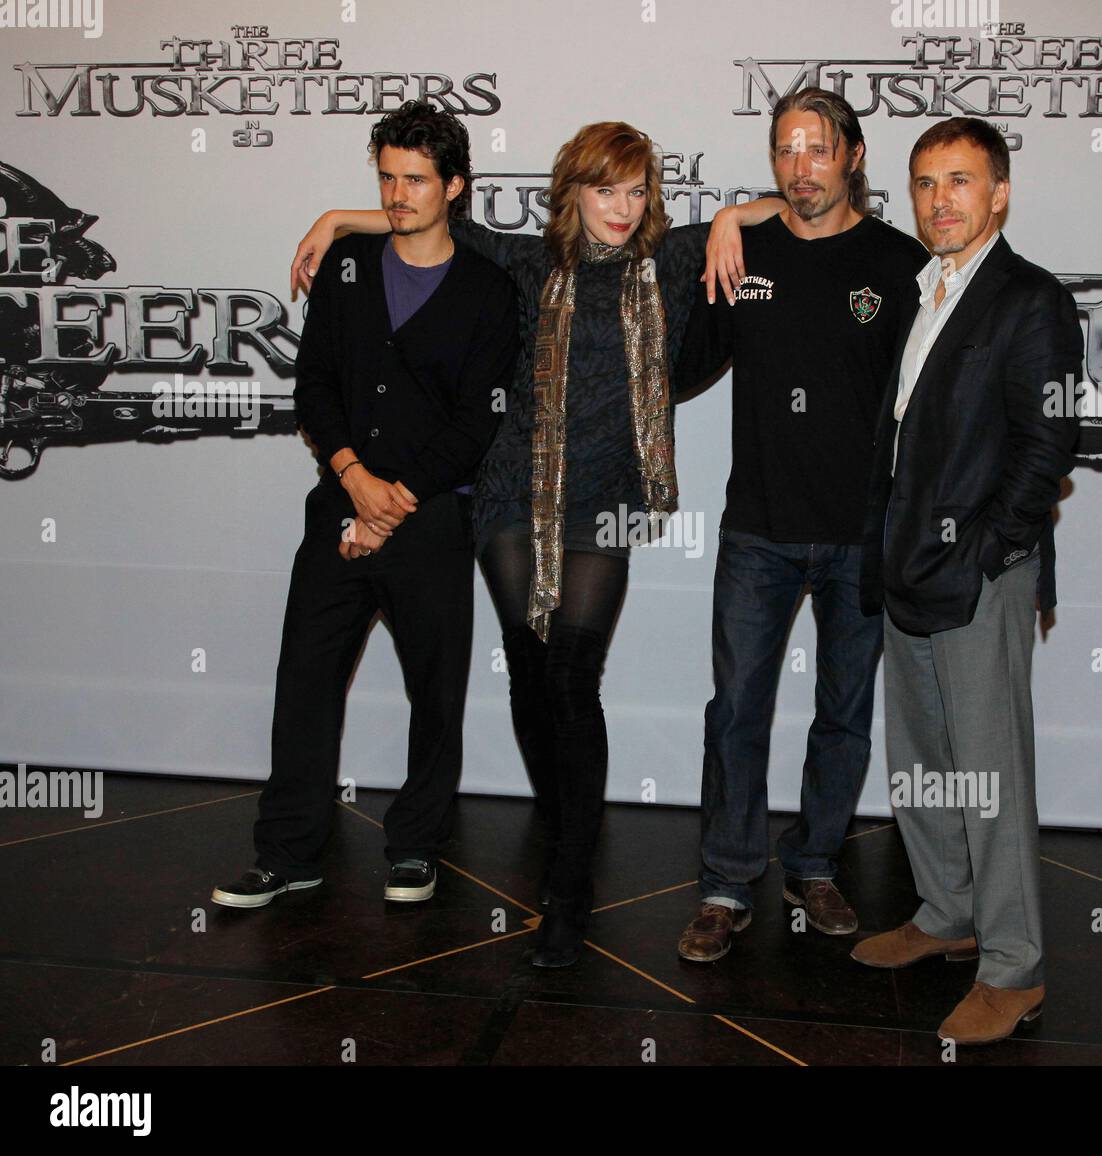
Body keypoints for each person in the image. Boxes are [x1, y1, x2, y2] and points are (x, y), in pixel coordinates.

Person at [291, 121, 775, 966]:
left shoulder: (666, 264)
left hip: (604, 503)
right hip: (515, 491)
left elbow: (787, 212)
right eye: (604, 191)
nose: (622, 210)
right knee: (529, 668)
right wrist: (339, 217)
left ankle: (568, 885)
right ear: (572, 193)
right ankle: (563, 827)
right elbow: (428, 221)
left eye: (636, 192)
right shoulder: (526, 262)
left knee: (572, 676)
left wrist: (737, 213)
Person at [213, 103, 519, 909]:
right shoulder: (347, 270)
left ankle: (416, 846)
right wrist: (353, 480)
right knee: (304, 681)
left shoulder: (489, 289)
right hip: (338, 502)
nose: (397, 194)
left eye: (415, 179)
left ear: (453, 186)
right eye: (386, 177)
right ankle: (288, 852)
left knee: (436, 689)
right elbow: (312, 384)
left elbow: (480, 416)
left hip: (433, 517)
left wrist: (397, 502)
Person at [673, 88, 929, 962]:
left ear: (855, 156)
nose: (800, 167)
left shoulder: (901, 263)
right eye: (785, 150)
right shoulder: (743, 250)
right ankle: (724, 883)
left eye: (818, 149)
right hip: (760, 528)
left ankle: (815, 865)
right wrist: (712, 229)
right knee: (736, 709)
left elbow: (925, 399)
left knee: (845, 714)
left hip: (862, 532)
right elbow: (683, 365)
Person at [850, 117, 1082, 1046]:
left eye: (959, 181)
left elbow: (1049, 446)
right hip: (908, 566)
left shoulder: (1030, 299)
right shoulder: (923, 290)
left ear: (1000, 193)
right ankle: (946, 913)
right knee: (923, 765)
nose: (939, 199)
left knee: (987, 775)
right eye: (924, 183)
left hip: (978, 574)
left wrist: (989, 553)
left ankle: (1014, 968)